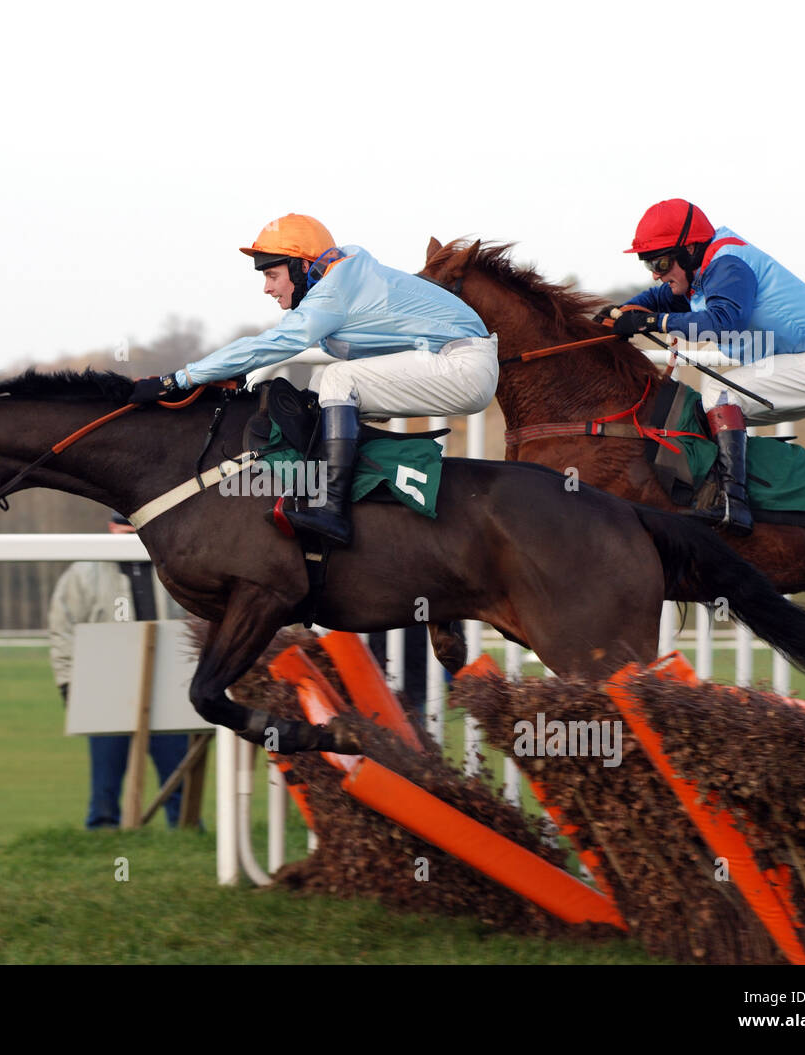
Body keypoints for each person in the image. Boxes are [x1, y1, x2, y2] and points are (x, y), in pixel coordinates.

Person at [128, 214, 497, 546]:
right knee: (323, 388)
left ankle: (331, 511)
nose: (267, 288)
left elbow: (273, 344)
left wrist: (178, 379)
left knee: (337, 379)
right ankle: (344, 493)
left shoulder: (336, 289)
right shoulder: (342, 280)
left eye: (272, 275)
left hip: (463, 367)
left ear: (302, 267)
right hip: (450, 361)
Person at [610, 198, 805, 536]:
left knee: (719, 392)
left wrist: (652, 322)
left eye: (661, 262)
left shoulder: (727, 266)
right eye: (648, 265)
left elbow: (721, 322)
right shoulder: (698, 270)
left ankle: (734, 504)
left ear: (689, 250)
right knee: (709, 406)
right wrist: (620, 312)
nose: (656, 274)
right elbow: (659, 298)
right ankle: (727, 491)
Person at [48, 512, 190, 829]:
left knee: (178, 773)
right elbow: (62, 631)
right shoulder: (83, 573)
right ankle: (103, 832)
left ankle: (185, 832)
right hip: (104, 690)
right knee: (106, 779)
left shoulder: (173, 567)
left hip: (167, 687)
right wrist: (69, 684)